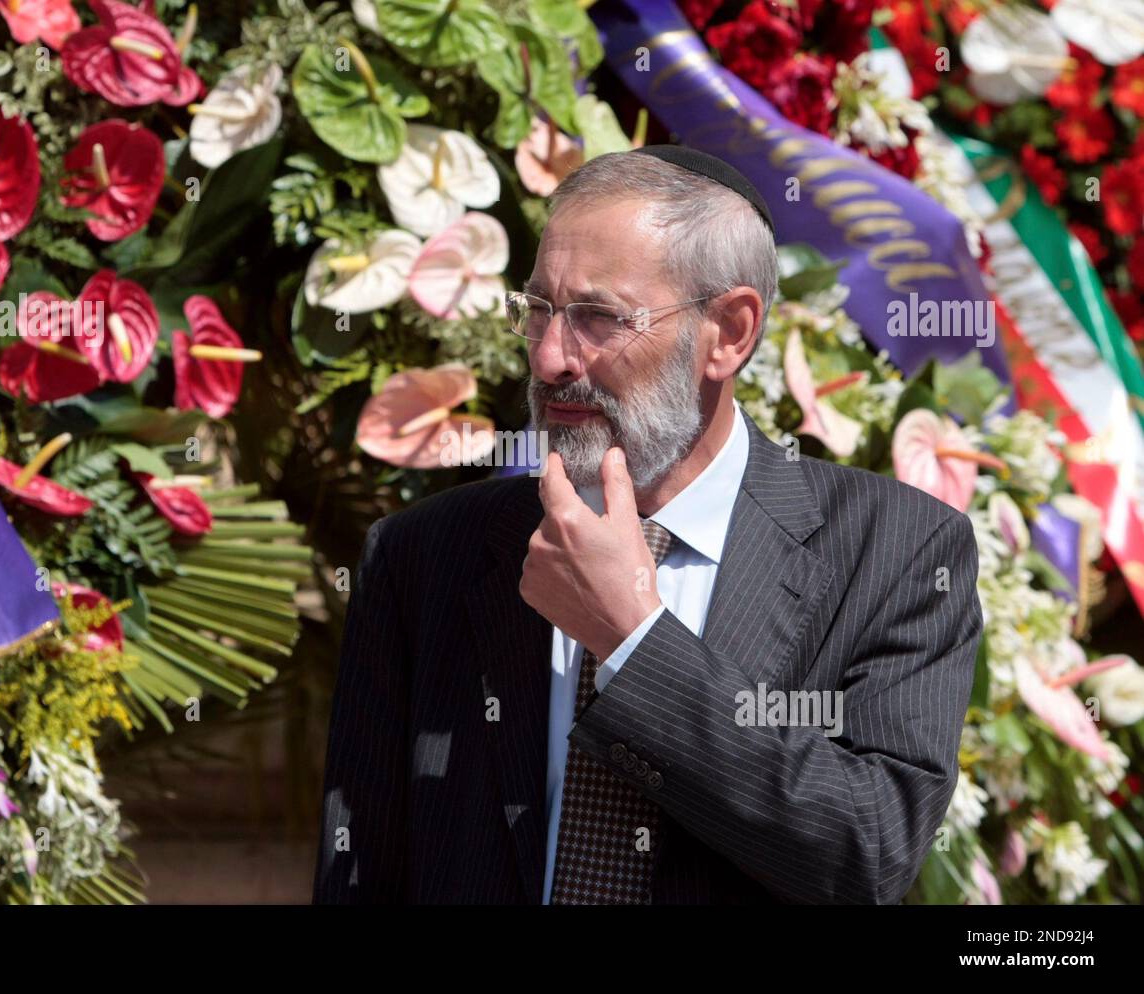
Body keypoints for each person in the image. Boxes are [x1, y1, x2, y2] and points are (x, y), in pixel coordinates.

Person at [313, 145, 983, 904]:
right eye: (538, 310)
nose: (551, 357)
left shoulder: (896, 551)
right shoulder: (425, 554)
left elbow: (869, 849)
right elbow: (358, 866)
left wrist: (634, 639)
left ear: (728, 333)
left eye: (599, 317)